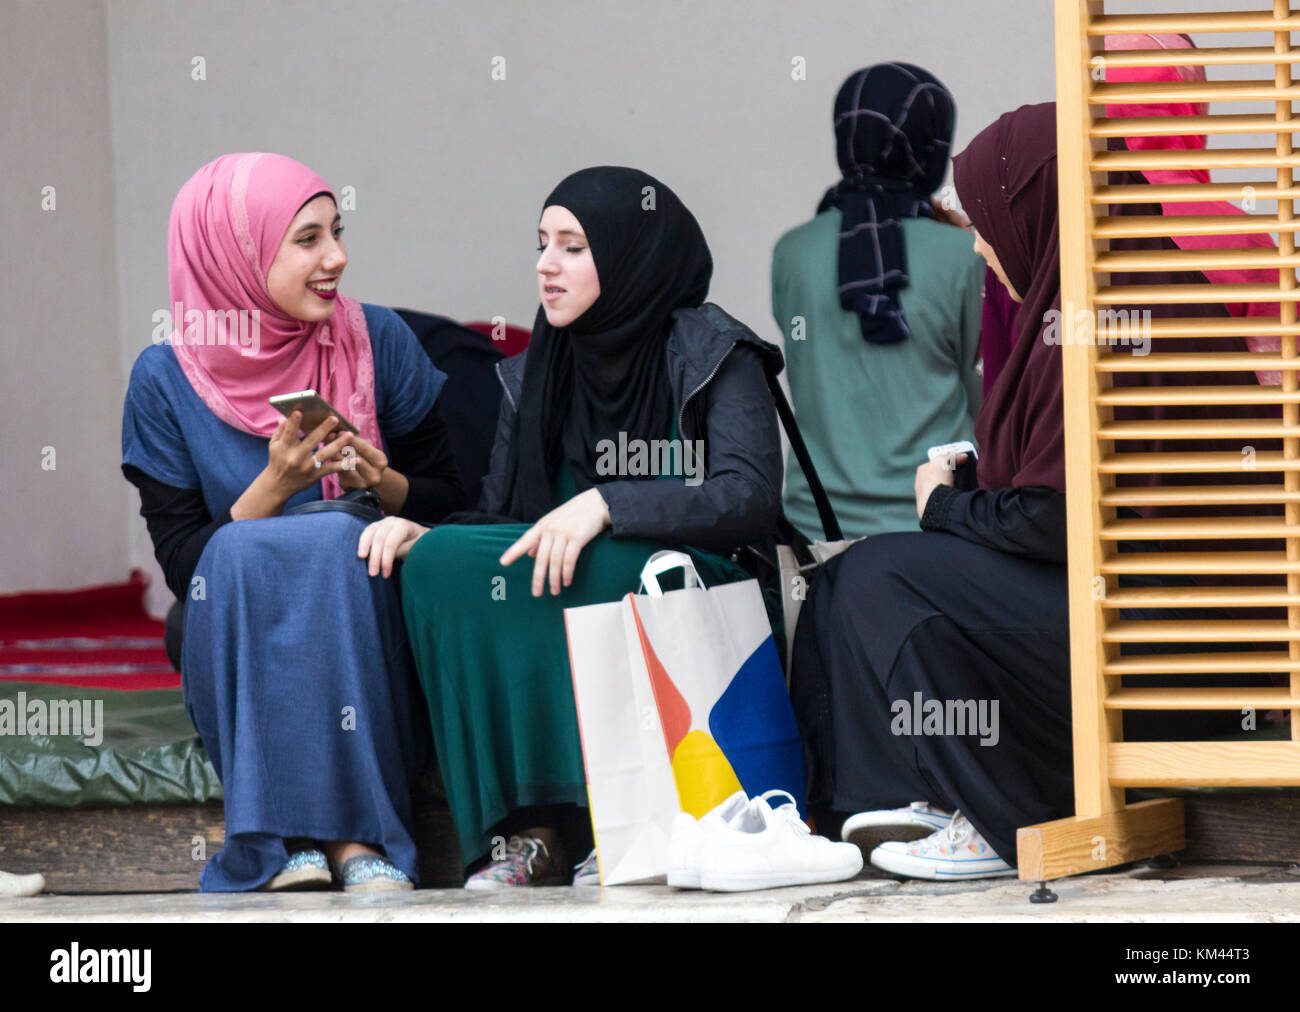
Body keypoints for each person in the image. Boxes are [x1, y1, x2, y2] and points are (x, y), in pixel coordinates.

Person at [358, 166, 785, 888]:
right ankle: (530, 831)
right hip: (565, 573)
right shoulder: (534, 373)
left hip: (685, 573)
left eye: (572, 247)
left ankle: (611, 822)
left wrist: (610, 503)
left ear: (628, 256)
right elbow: (502, 521)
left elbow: (748, 499)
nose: (545, 266)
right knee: (439, 566)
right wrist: (432, 536)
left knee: (599, 566)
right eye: (541, 245)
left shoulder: (713, 350)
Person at [121, 152, 463, 892]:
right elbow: (186, 563)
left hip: (369, 589)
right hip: (241, 609)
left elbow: (454, 503)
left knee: (340, 543)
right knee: (235, 570)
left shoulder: (379, 340)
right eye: (306, 239)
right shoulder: (163, 379)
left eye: (337, 232)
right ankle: (323, 840)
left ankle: (326, 839)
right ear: (234, 256)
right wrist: (275, 485)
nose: (336, 257)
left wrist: (385, 483)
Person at [772, 63, 984, 541]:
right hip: (935, 517)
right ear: (933, 144)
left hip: (814, 523)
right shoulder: (964, 254)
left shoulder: (792, 252)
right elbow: (977, 382)